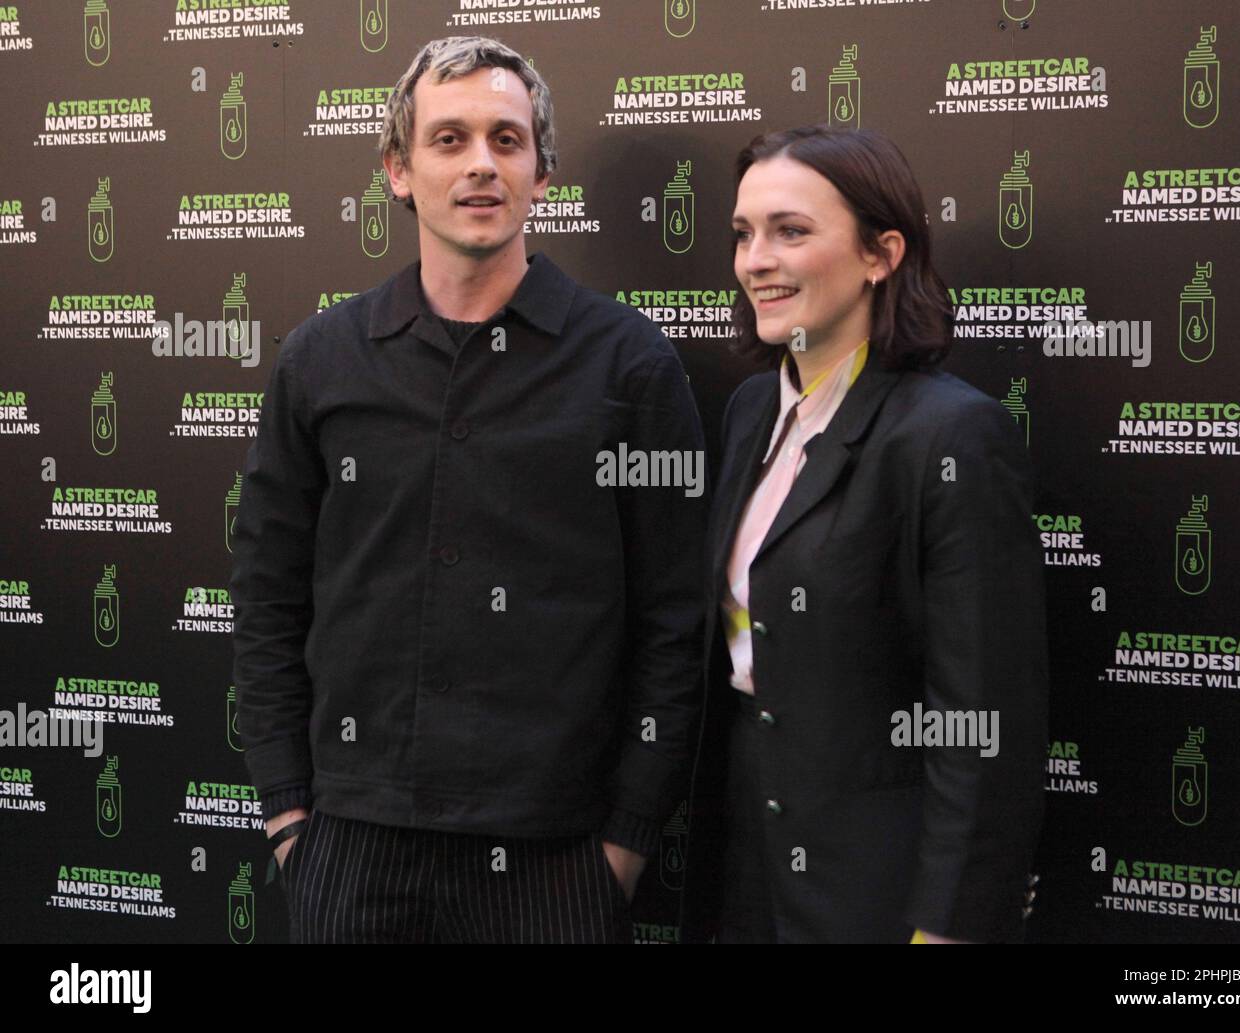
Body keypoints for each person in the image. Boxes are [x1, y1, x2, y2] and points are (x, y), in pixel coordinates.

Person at [229, 35, 708, 943]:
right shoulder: (321, 361)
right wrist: (291, 817)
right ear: (398, 172)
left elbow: (673, 623)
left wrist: (624, 847)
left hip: (555, 861)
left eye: (507, 139)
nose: (481, 163)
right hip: (351, 850)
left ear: (544, 173)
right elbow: (267, 598)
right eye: (449, 140)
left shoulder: (629, 365)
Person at [678, 126, 1049, 943]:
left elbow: (981, 718)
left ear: (882, 254)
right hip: (745, 873)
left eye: (791, 231)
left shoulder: (952, 435)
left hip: (880, 891)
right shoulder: (748, 412)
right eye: (744, 234)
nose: (755, 260)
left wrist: (947, 926)